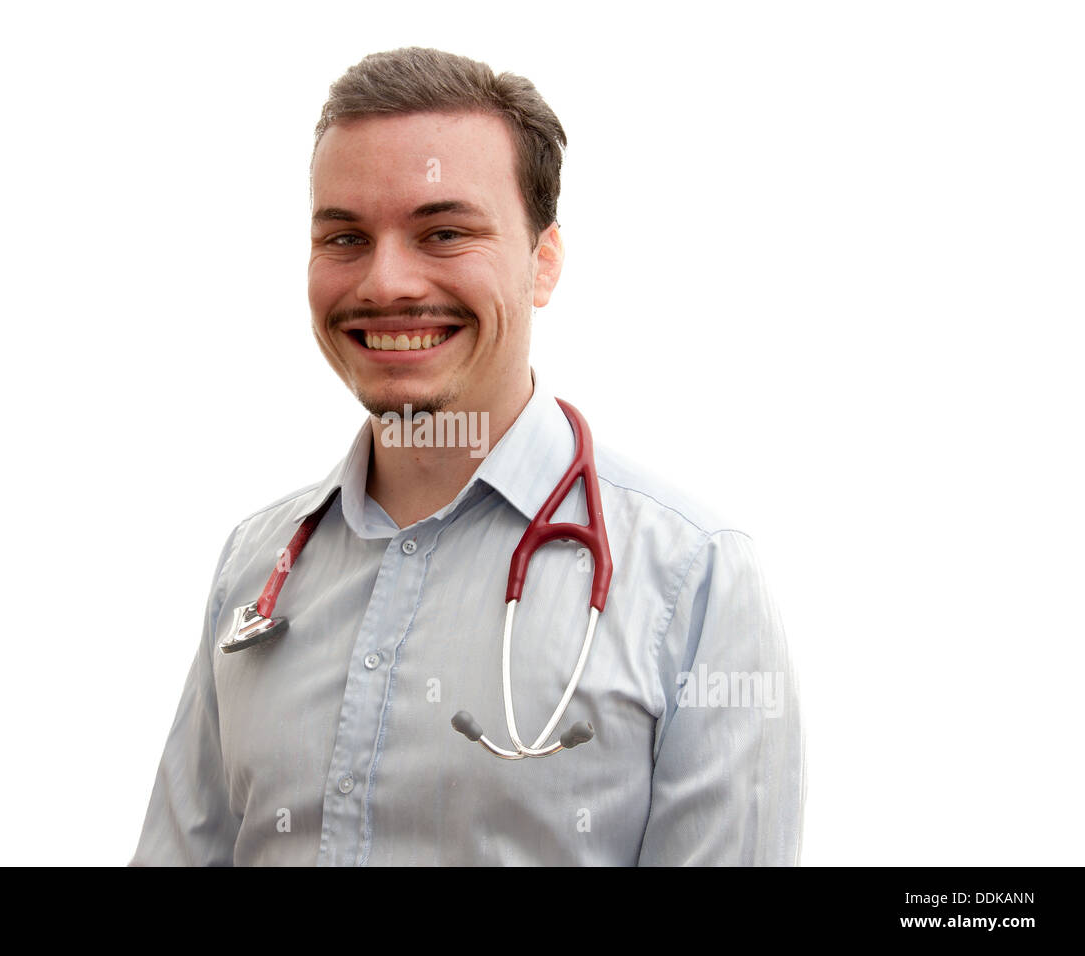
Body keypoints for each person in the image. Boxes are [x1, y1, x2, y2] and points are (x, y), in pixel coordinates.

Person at [130, 46, 805, 866]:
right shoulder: (255, 565)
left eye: (443, 232)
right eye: (344, 236)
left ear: (543, 262)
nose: (386, 283)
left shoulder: (694, 578)